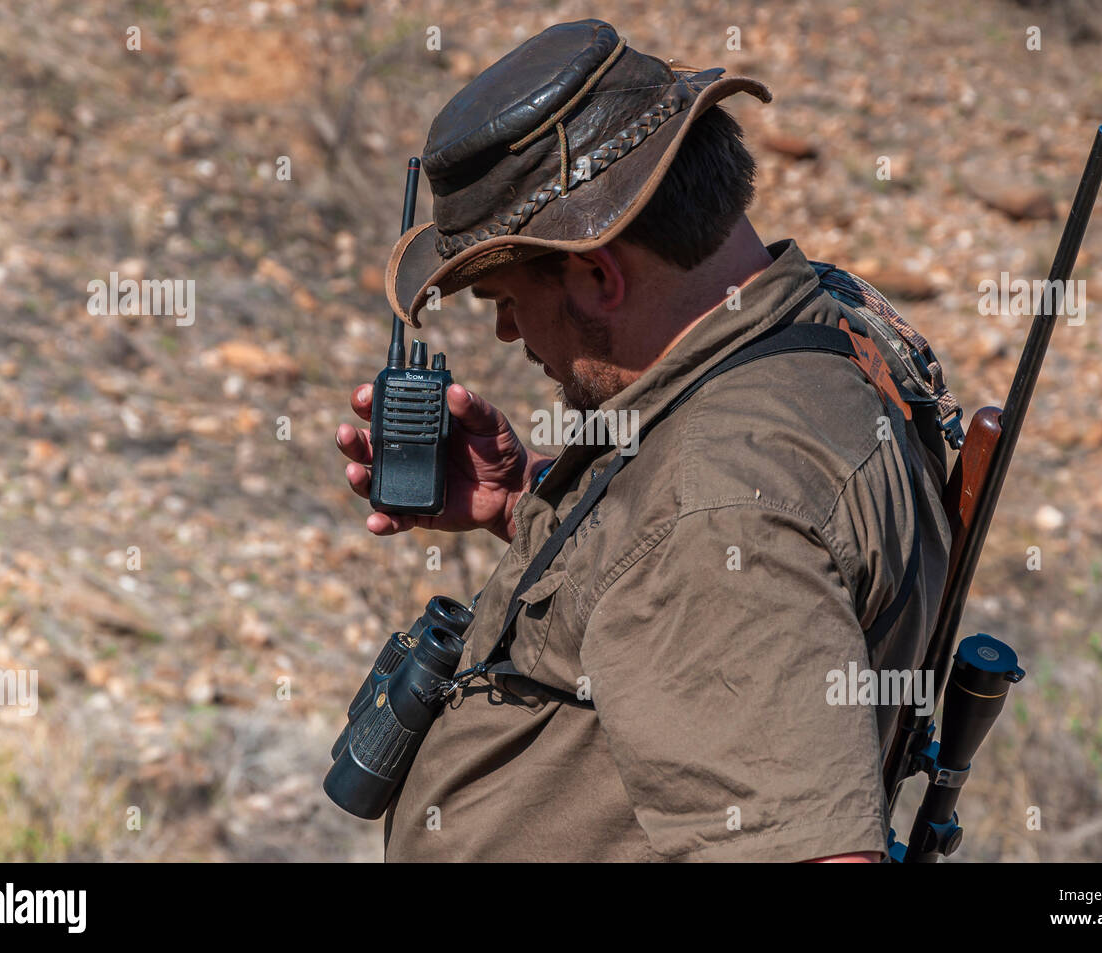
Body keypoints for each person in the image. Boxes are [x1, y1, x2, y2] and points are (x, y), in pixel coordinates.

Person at [335, 19, 952, 862]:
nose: (512, 333)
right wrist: (526, 497)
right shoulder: (813, 329)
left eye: (507, 299)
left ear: (597, 273)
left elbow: (715, 548)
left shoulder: (717, 511)